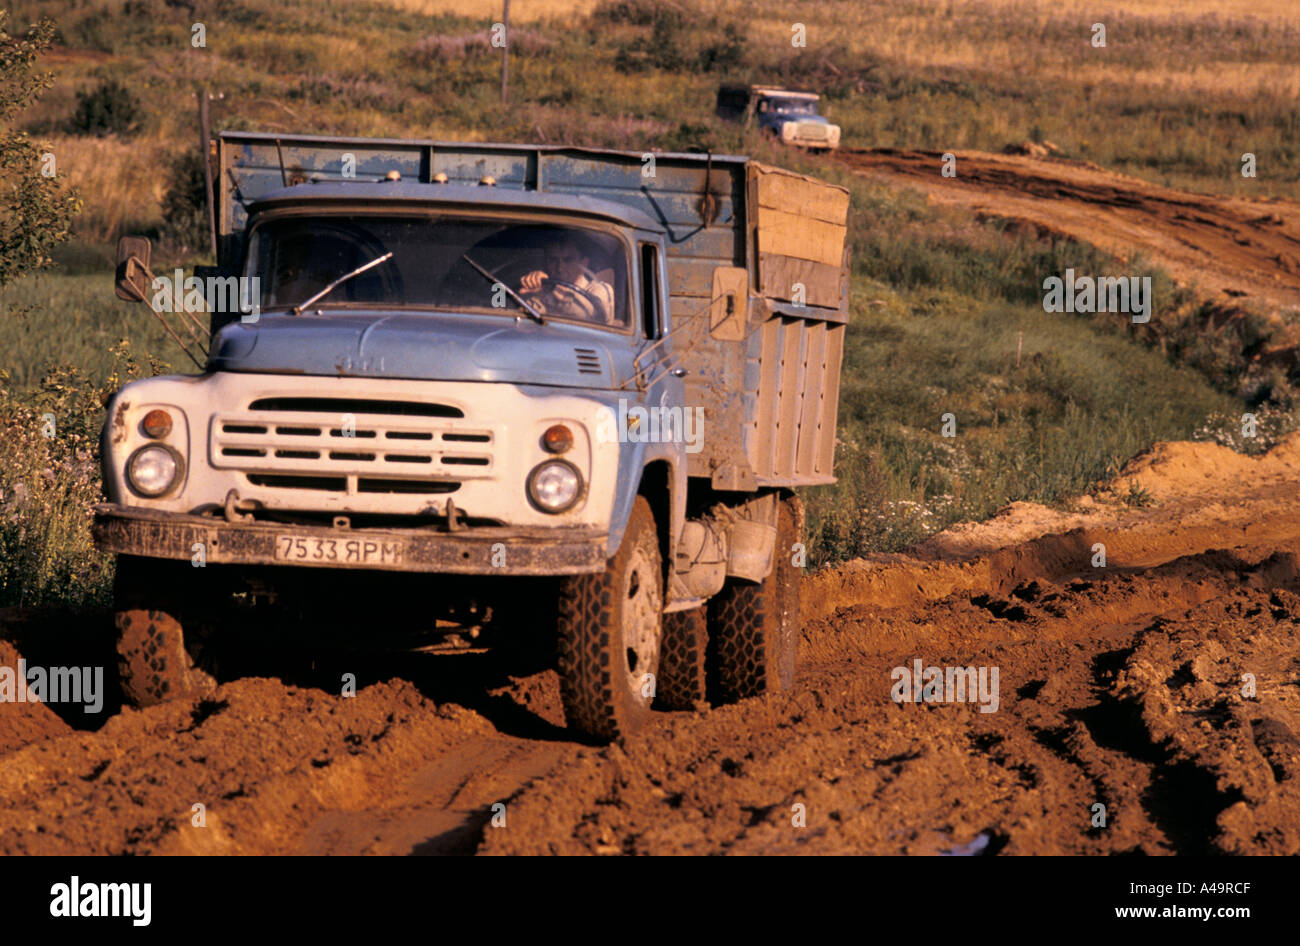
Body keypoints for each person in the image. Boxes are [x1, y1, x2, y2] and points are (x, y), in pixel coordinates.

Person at [518, 233, 614, 323]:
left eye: (568, 260)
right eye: (553, 260)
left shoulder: (600, 290)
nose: (559, 268)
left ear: (583, 263)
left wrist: (554, 292)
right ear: (546, 263)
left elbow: (586, 315)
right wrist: (530, 289)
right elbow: (514, 315)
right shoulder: (542, 289)